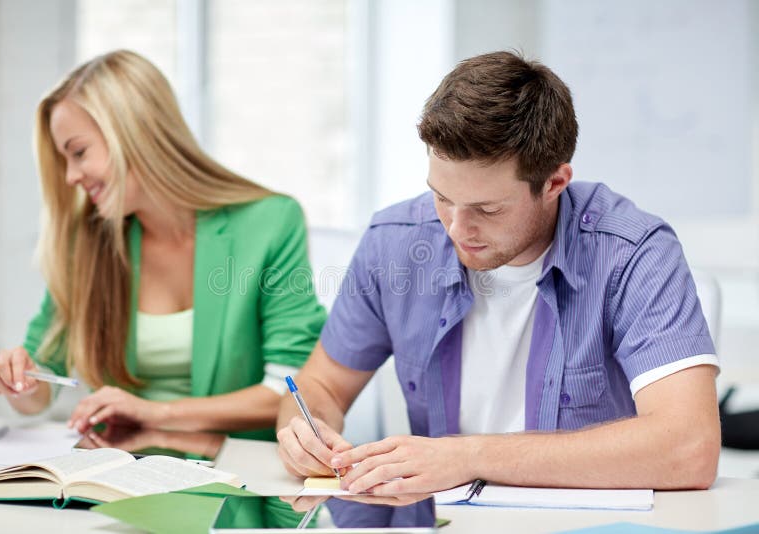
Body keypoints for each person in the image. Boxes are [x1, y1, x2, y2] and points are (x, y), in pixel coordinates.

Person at [276, 51, 720, 492]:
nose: (455, 227)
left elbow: (688, 447)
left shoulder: (634, 254)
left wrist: (468, 455)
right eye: (442, 197)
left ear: (554, 183)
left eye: (486, 209)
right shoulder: (394, 242)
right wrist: (304, 428)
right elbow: (321, 386)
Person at [0, 50, 326, 441]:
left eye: (78, 153)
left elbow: (293, 386)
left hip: (239, 480)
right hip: (121, 478)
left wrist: (157, 412)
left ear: (133, 133)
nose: (71, 176)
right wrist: (19, 381)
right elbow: (41, 385)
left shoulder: (270, 223)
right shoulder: (88, 239)